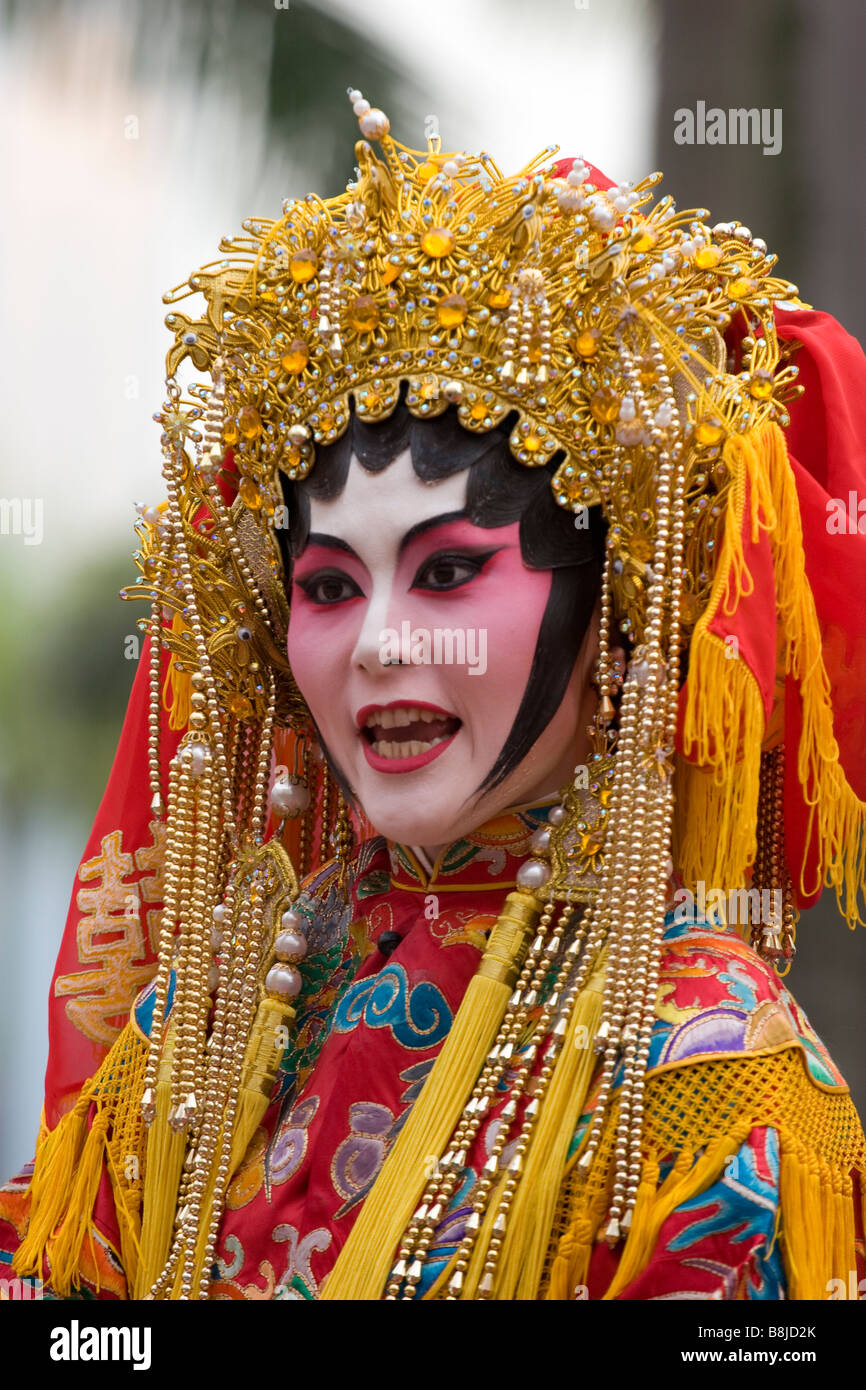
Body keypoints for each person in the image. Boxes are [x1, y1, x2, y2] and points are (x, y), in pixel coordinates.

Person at [2, 89, 865, 1301]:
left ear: (605, 606)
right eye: (328, 585)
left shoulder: (700, 1071)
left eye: (450, 571)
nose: (377, 643)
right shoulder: (197, 1024)